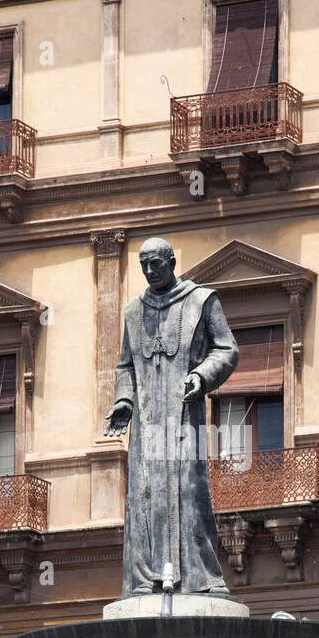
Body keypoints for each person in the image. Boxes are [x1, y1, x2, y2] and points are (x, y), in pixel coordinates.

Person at [104, 237, 238, 597]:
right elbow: (124, 367)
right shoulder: (134, 312)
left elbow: (227, 349)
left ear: (173, 262)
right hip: (145, 425)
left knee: (189, 493)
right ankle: (143, 581)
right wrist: (123, 401)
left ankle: (201, 579)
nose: (150, 271)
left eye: (156, 264)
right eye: (144, 265)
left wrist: (201, 375)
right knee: (145, 497)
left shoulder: (201, 301)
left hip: (184, 418)